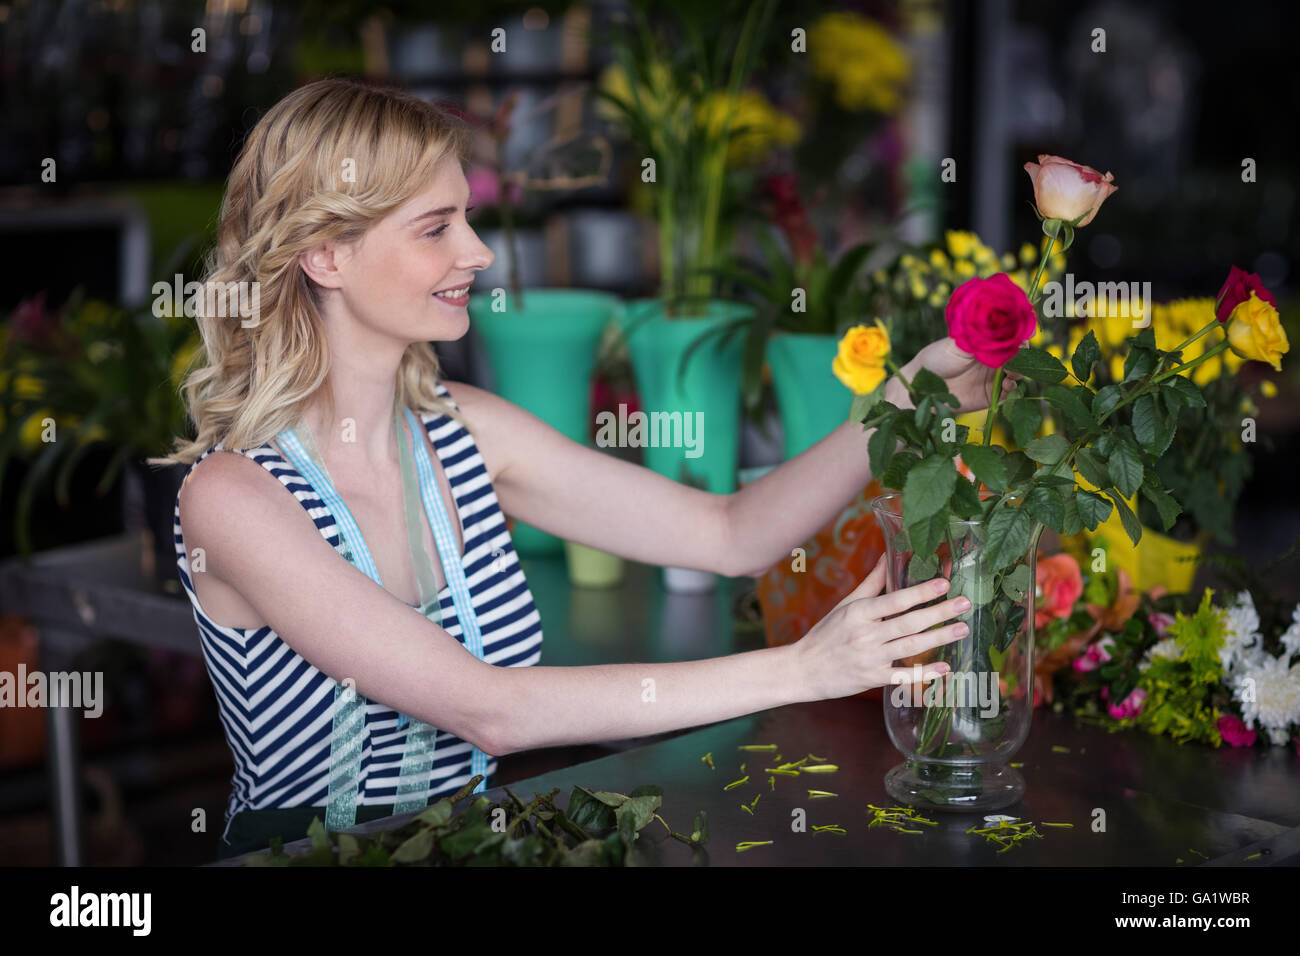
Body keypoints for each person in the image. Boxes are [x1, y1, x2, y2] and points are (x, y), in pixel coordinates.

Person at [162, 78, 1008, 859]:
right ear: (326, 257)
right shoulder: (234, 497)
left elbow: (730, 534)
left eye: (467, 217)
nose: (480, 253)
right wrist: (803, 670)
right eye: (436, 228)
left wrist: (908, 394)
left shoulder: (467, 434)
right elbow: (489, 710)